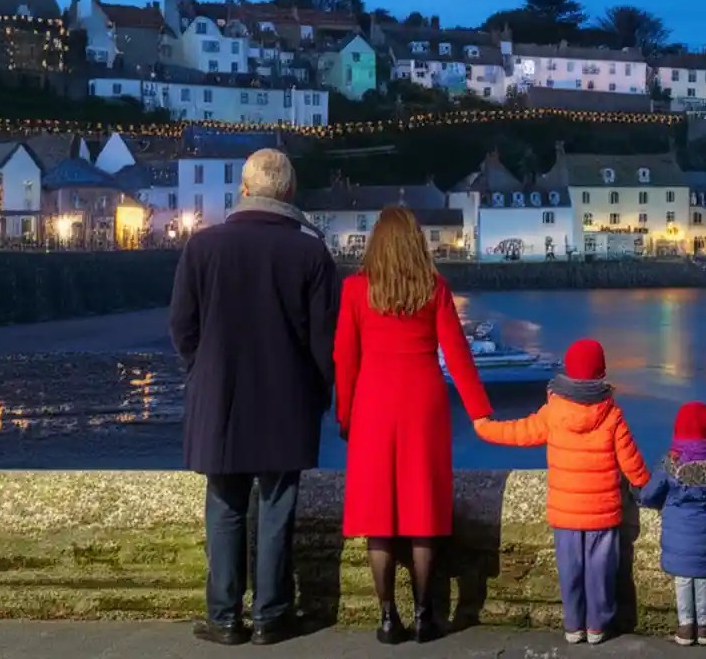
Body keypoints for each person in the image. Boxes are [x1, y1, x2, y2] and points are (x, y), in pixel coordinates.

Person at [169, 148, 338, 646]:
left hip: (220, 396)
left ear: (243, 190)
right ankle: (271, 614)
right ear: (290, 192)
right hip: (287, 397)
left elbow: (182, 327)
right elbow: (325, 341)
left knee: (225, 503)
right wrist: (319, 392)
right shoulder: (311, 253)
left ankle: (224, 616)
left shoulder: (202, 247)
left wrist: (203, 370)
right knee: (277, 505)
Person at [334, 206, 491, 645]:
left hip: (373, 403)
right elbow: (457, 354)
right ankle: (425, 615)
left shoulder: (355, 289)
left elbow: (344, 357)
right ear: (416, 242)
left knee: (378, 516)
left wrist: (344, 414)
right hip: (423, 401)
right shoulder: (433, 288)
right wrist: (480, 411)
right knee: (424, 509)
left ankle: (388, 618)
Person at [474, 339, 649, 645]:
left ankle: (573, 625)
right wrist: (647, 484)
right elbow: (630, 461)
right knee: (601, 572)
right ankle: (597, 626)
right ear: (601, 372)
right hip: (602, 514)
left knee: (570, 571)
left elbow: (519, 432)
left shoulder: (554, 411)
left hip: (565, 514)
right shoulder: (611, 414)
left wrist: (483, 426)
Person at [639, 401, 706, 647]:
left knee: (683, 580)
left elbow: (649, 495)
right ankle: (704, 627)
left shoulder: (670, 465)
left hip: (679, 540)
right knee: (703, 580)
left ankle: (685, 626)